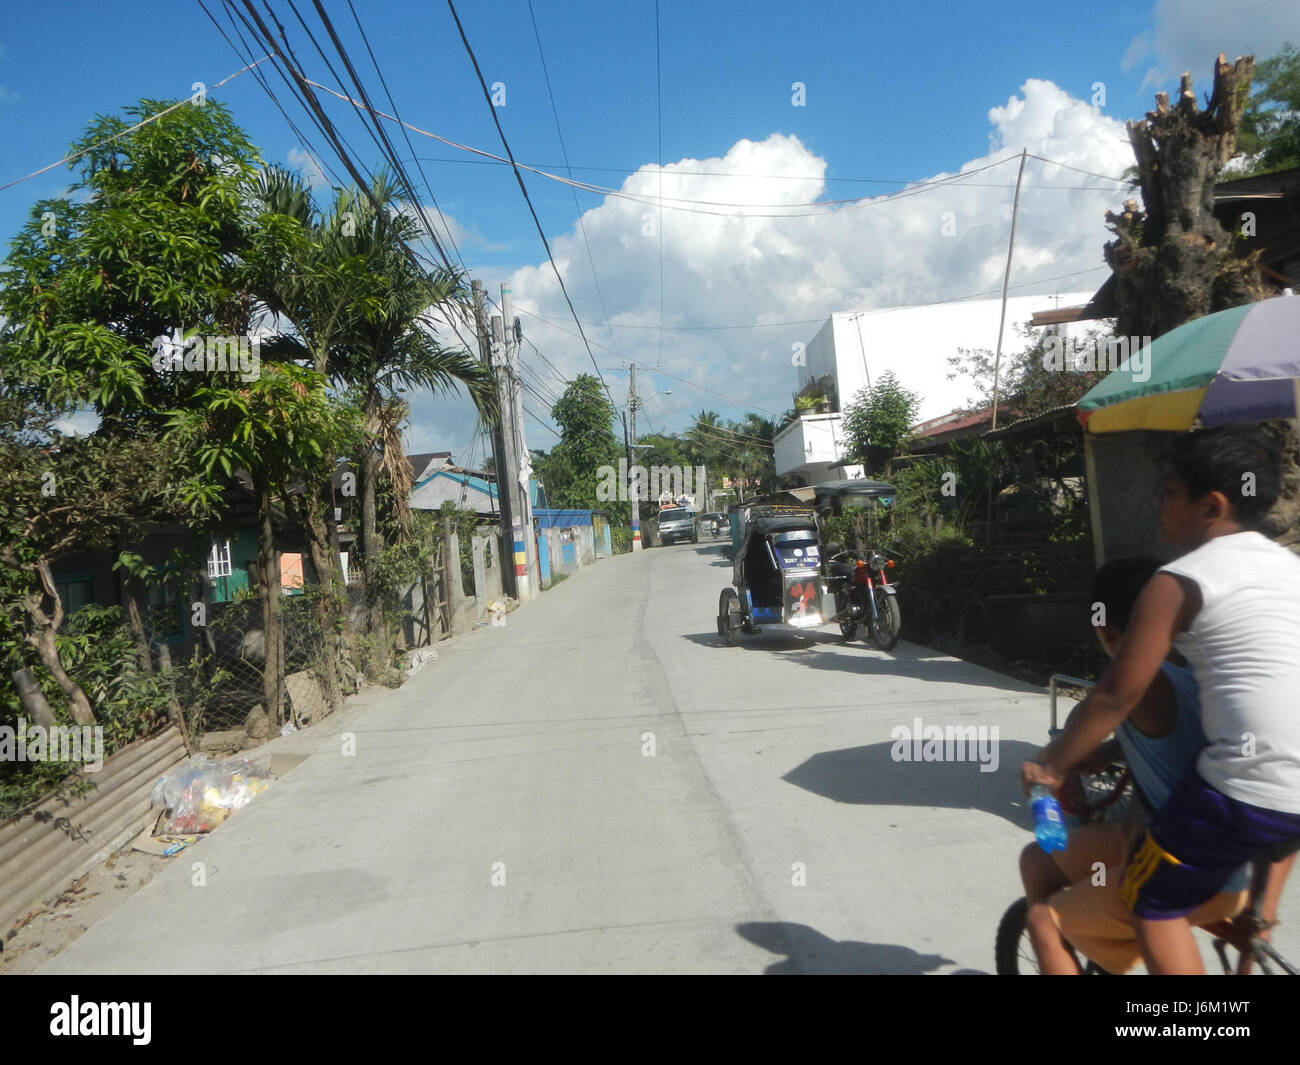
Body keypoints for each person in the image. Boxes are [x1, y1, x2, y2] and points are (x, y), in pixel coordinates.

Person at [1023, 425, 1300, 974]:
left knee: (1154, 900)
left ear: (1212, 506)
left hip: (1245, 789)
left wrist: (1051, 767)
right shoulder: (1287, 569)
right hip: (1283, 792)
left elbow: (1116, 695)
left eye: (1169, 491)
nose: (1157, 503)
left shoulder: (1180, 579)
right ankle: (1256, 931)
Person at [1019, 557, 1250, 975]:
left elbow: (1104, 706)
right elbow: (1180, 742)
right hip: (1191, 843)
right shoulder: (1198, 672)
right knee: (1038, 860)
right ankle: (1092, 943)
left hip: (1188, 863)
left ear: (1107, 629)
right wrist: (1111, 753)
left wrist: (1047, 767)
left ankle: (1069, 935)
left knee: (1043, 921)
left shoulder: (1138, 681)